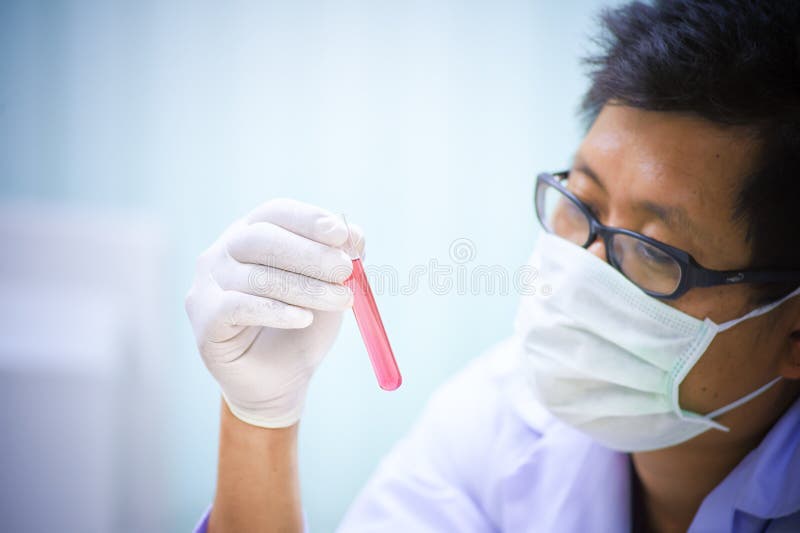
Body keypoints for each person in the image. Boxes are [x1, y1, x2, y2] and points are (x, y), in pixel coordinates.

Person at [184, 1, 800, 531]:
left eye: (653, 250)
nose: (580, 272)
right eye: (581, 203)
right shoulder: (497, 419)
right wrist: (260, 418)